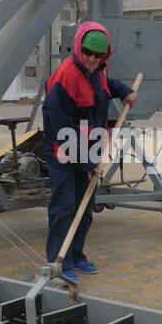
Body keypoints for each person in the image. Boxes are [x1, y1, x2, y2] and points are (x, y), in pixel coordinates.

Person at [42, 23, 137, 284]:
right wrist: (88, 164)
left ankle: (77, 255)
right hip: (64, 150)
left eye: (98, 55)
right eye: (88, 53)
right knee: (65, 207)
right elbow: (63, 130)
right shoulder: (65, 78)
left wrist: (125, 91)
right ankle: (58, 261)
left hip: (90, 146)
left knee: (85, 208)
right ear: (78, 47)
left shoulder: (98, 70)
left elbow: (107, 85)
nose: (92, 59)